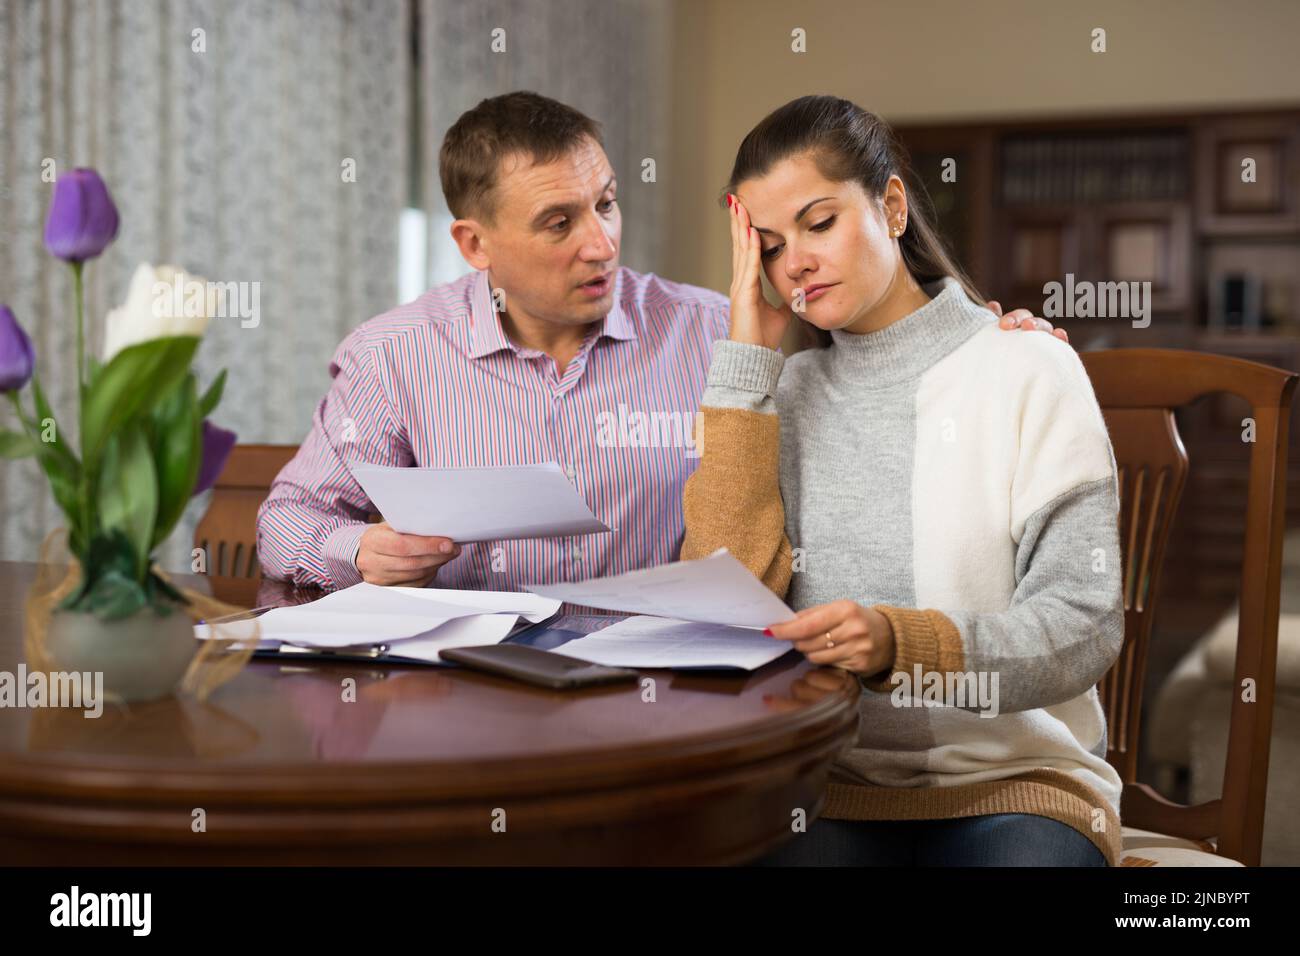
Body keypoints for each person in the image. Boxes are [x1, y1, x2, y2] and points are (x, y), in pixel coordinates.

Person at [256, 91, 1065, 596]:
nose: (602, 243)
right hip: (465, 707)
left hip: (661, 702)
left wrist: (987, 345)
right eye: (559, 223)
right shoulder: (393, 356)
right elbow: (287, 518)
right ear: (475, 245)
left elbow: (880, 365)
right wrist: (360, 548)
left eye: (605, 204)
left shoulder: (720, 331)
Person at [681, 94, 1123, 866]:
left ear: (890, 207)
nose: (798, 264)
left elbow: (1084, 624)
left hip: (1016, 784)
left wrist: (902, 644)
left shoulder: (1028, 366)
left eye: (819, 224)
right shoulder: (778, 400)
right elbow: (716, 609)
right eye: (772, 246)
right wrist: (747, 358)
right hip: (826, 789)